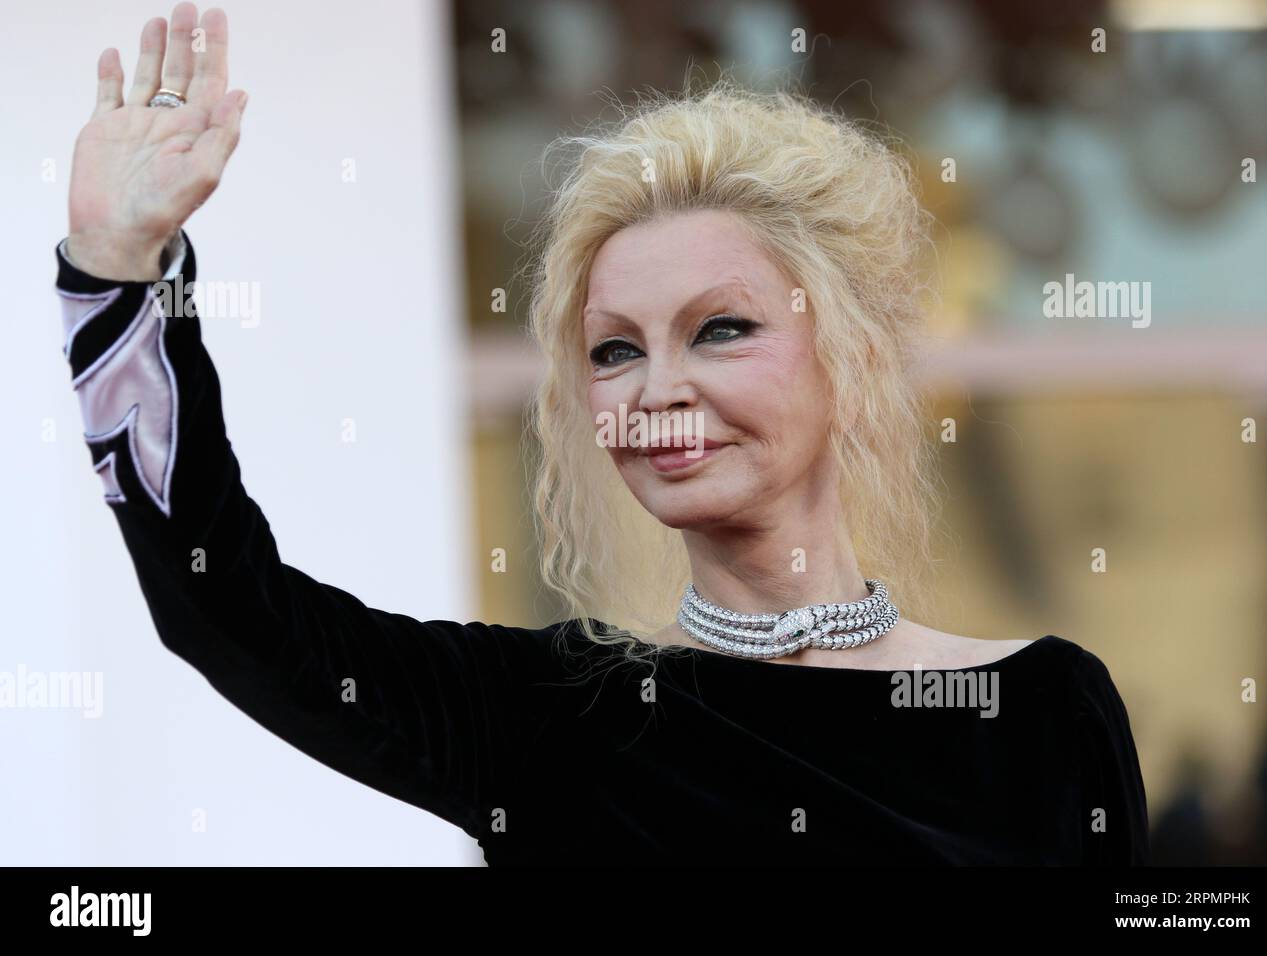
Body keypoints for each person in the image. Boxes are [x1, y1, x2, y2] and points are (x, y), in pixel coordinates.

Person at [54, 3, 1151, 865]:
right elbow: (229, 610)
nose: (657, 385)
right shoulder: (547, 724)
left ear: (849, 353)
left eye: (719, 329)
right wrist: (116, 271)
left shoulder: (1044, 714)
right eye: (614, 348)